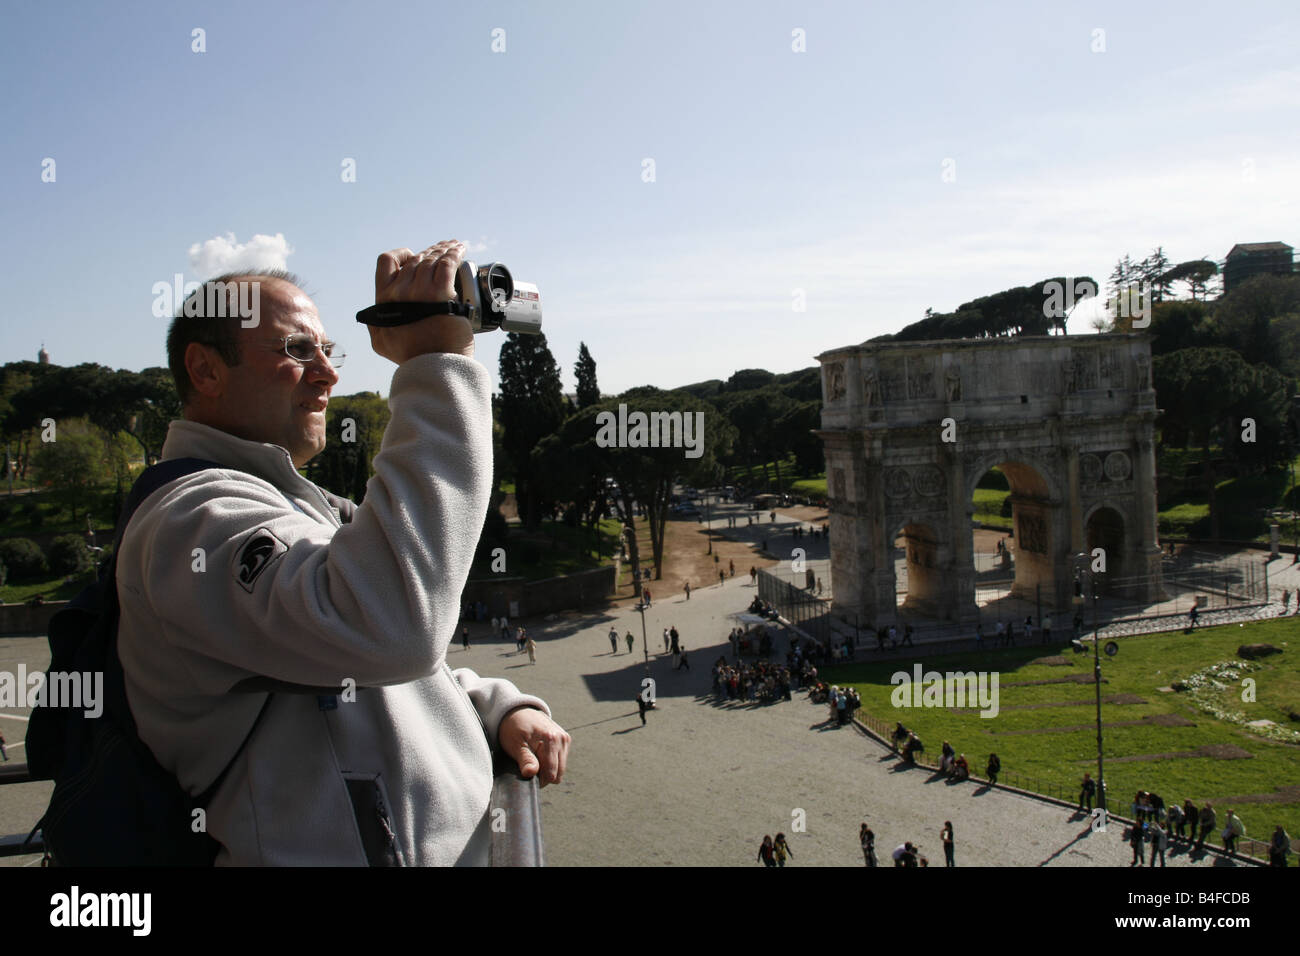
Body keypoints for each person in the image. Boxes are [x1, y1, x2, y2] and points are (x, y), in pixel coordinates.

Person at [115, 249, 569, 865]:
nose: (328, 374)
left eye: (331, 351)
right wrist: (437, 363)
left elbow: (374, 674)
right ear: (205, 369)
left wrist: (493, 708)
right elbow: (390, 628)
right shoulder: (189, 521)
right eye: (297, 351)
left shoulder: (300, 507)